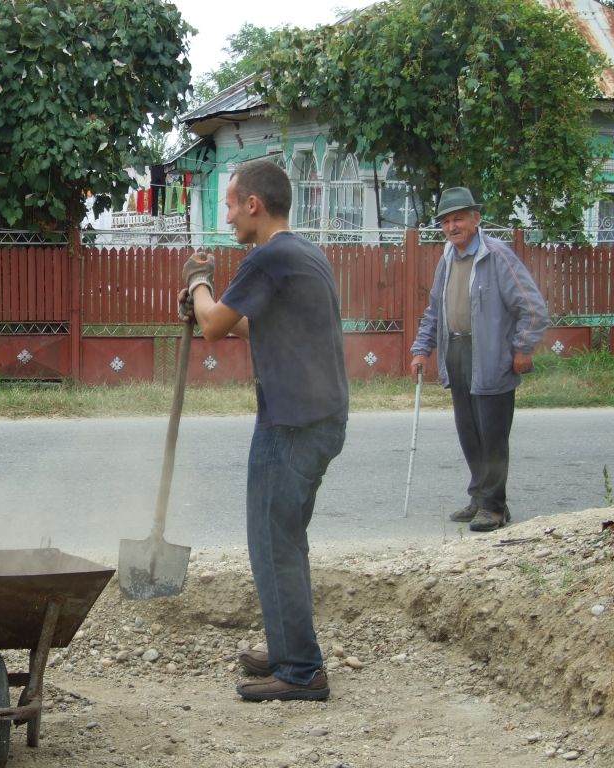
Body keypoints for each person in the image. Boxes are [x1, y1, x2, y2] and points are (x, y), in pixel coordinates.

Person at [181, 159, 348, 702]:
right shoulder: (305, 254)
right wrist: (211, 306)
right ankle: (286, 648)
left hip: (291, 422)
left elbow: (211, 325)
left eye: (230, 204)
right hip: (319, 419)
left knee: (273, 545)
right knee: (284, 541)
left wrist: (198, 282)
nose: (227, 216)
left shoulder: (268, 257)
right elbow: (242, 322)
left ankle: (301, 670)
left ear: (254, 204)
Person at [410, 187, 548, 533]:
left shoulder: (497, 256)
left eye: (458, 218)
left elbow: (532, 308)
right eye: (446, 220)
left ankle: (494, 507)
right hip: (456, 351)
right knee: (469, 431)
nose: (452, 225)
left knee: (492, 435)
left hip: (490, 356)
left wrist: (522, 348)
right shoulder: (447, 258)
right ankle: (479, 497)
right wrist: (420, 348)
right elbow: (435, 310)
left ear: (476, 218)